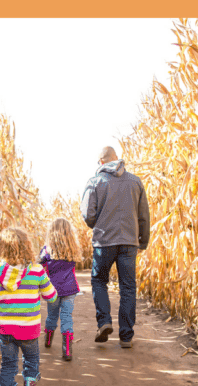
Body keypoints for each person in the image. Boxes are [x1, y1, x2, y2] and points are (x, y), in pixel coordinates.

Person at [0, 227, 58, 386]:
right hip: (29, 329)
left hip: (5, 330)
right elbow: (51, 296)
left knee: (8, 366)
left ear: (1, 248)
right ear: (27, 247)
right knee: (31, 362)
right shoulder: (36, 271)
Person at [80, 146, 150, 348]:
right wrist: (142, 241)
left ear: (101, 162)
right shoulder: (135, 181)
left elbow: (87, 214)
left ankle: (104, 322)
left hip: (104, 242)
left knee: (99, 280)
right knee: (128, 287)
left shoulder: (95, 182)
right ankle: (126, 336)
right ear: (117, 159)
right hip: (129, 242)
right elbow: (144, 215)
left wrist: (98, 224)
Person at [39, 218, 81, 361]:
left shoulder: (46, 250)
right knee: (66, 317)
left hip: (53, 290)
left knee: (52, 316)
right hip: (70, 289)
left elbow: (39, 264)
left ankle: (48, 340)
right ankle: (67, 351)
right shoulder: (72, 249)